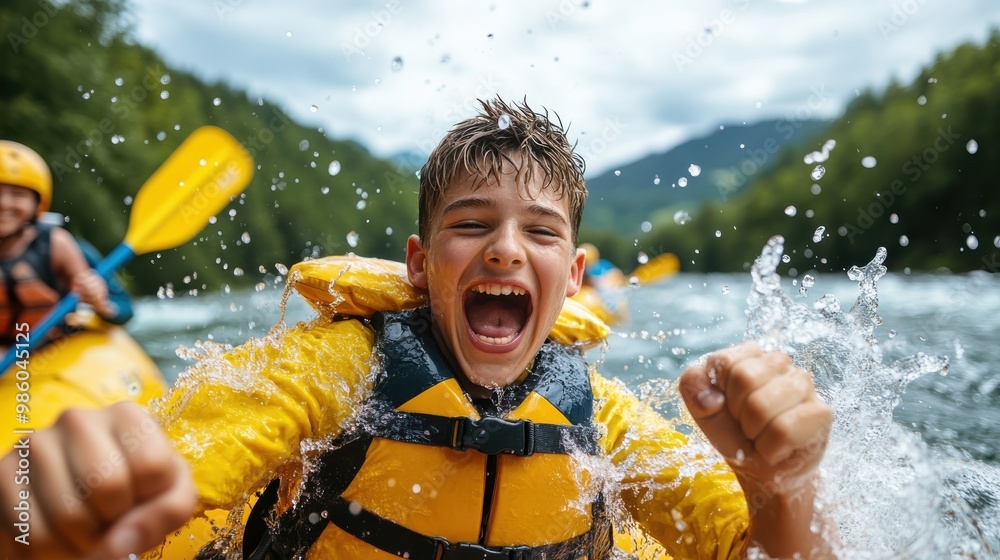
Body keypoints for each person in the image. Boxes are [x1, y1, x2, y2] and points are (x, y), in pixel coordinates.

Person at [0, 99, 834, 559]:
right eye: (471, 226)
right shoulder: (332, 371)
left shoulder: (603, 420)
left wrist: (779, 488)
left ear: (573, 278)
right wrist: (40, 518)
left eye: (541, 233)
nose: (506, 249)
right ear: (417, 265)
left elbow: (757, 552)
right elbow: (173, 479)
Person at [0, 140, 123, 347]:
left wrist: (100, 303)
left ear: (37, 203)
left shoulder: (58, 243)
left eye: (18, 195)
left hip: (51, 354)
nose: (4, 204)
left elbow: (124, 310)